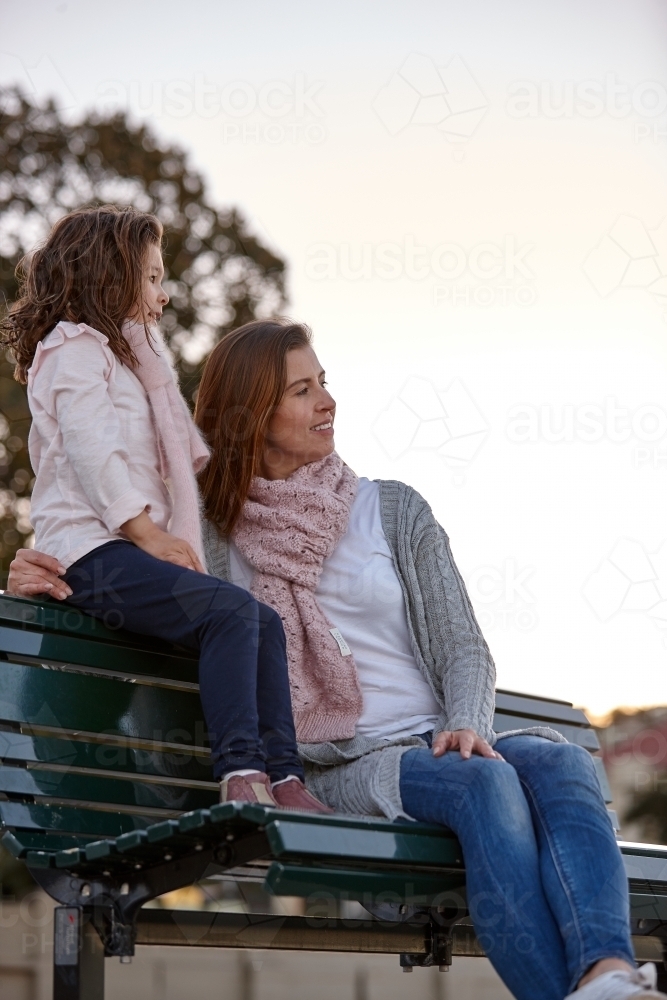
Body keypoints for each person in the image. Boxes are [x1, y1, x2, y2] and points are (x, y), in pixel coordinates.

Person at [9, 318, 664, 1000]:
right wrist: (39, 571)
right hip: (340, 769)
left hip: (439, 740)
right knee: (484, 785)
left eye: (323, 384)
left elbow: (463, 645)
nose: (327, 401)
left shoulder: (394, 509)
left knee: (560, 760)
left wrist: (467, 721)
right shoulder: (200, 530)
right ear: (250, 415)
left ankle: (607, 974)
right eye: (301, 390)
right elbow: (119, 580)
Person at [0, 207, 331, 815]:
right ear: (109, 275)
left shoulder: (131, 362)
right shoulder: (72, 349)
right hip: (90, 553)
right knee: (232, 613)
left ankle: (285, 777)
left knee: (263, 622)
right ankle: (242, 775)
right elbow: (93, 450)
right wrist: (146, 531)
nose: (163, 292)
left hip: (123, 550)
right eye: (151, 277)